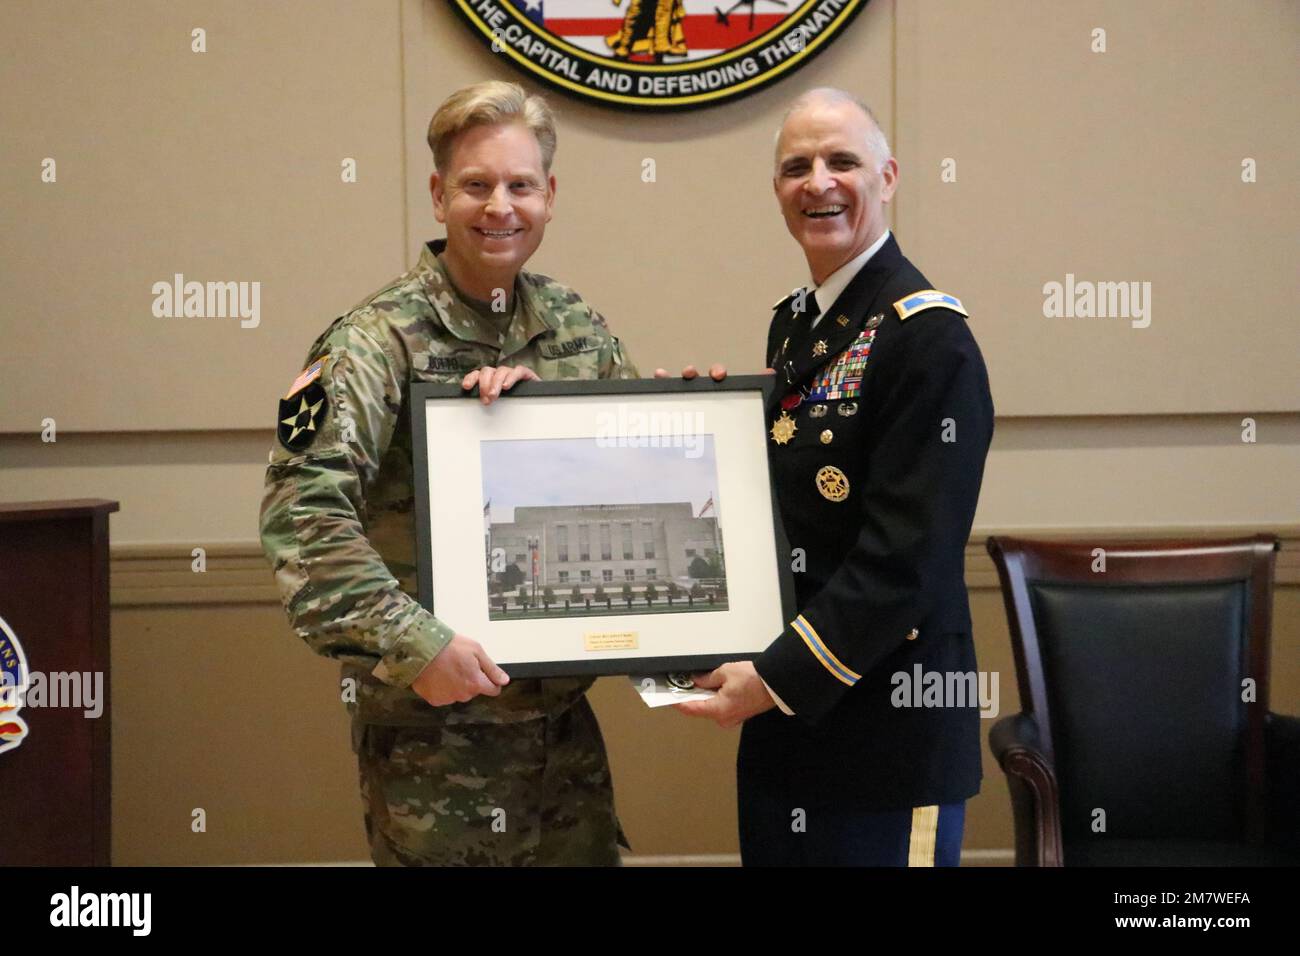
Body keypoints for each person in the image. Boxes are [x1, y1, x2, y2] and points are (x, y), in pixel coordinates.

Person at [259, 81, 640, 866]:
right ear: (438, 195)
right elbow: (304, 522)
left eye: (520, 185)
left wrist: (676, 419)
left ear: (549, 195)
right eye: (476, 185)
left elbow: (629, 495)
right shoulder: (374, 341)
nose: (500, 205)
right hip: (435, 751)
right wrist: (418, 643)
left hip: (564, 746)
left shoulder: (576, 329)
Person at [676, 88, 994, 866]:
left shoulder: (930, 341)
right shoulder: (797, 322)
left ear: (887, 177)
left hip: (886, 735)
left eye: (841, 161)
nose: (818, 181)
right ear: (779, 193)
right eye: (796, 167)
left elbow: (904, 561)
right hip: (792, 725)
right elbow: (788, 508)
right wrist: (694, 434)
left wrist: (774, 678)